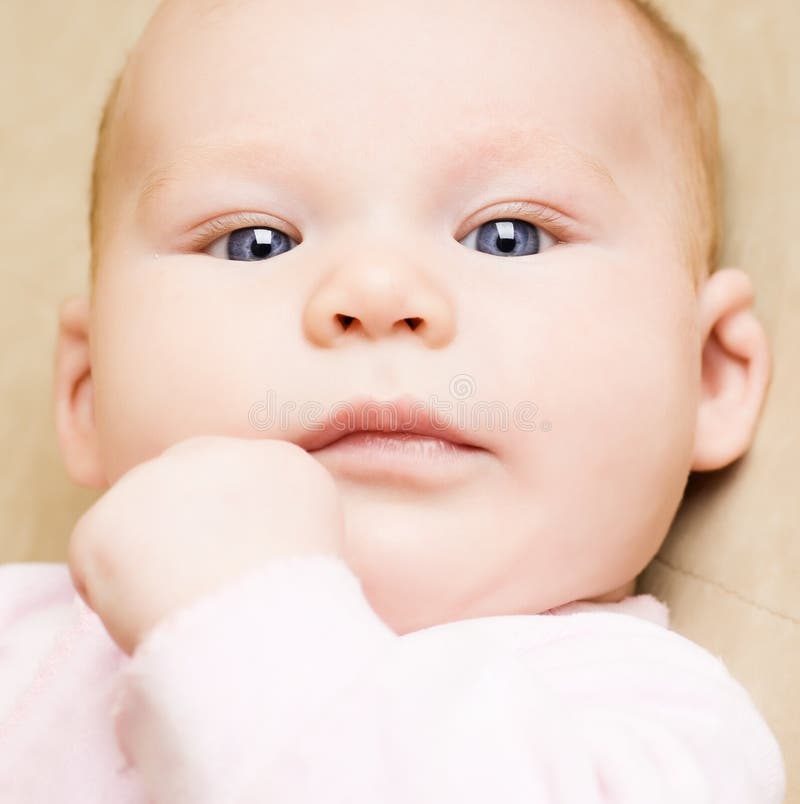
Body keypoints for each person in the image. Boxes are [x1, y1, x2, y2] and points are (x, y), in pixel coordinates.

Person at [0, 0, 786, 800]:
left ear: (709, 374)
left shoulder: (656, 737)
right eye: (255, 241)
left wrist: (244, 617)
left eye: (508, 233)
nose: (376, 292)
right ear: (89, 392)